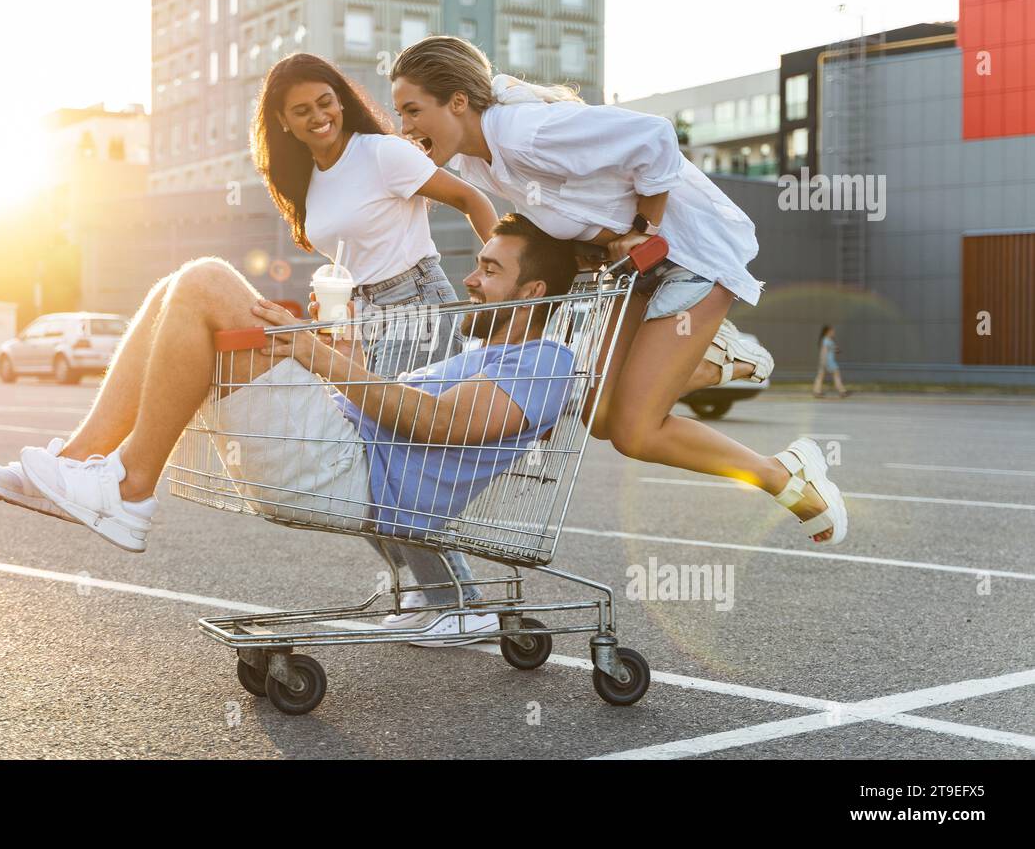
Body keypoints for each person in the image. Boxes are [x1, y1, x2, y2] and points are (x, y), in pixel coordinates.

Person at [0, 214, 579, 644]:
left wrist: (315, 356)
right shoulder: (480, 354)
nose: (471, 279)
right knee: (172, 294)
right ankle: (79, 461)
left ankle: (127, 491)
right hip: (338, 453)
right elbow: (387, 407)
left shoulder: (546, 363)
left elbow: (443, 424)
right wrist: (340, 344)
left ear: (532, 292)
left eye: (490, 270)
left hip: (347, 475)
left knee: (206, 281)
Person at [389, 36, 847, 546]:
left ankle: (784, 475)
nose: (405, 127)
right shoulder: (477, 161)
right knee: (599, 411)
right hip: (632, 272)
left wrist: (642, 230)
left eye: (412, 110)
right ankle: (712, 358)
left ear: (456, 101)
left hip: (691, 256)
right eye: (399, 114)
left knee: (634, 431)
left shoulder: (523, 132)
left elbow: (654, 137)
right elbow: (570, 210)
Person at [250, 52, 500, 626]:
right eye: (301, 111)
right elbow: (349, 253)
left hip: (416, 306)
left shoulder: (382, 152)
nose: (319, 116)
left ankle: (458, 604)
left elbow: (472, 198)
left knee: (394, 459)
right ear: (283, 123)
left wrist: (501, 282)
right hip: (362, 318)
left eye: (325, 101)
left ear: (342, 98)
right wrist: (335, 298)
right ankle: (422, 589)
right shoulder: (308, 179)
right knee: (357, 459)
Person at [813, 325, 850, 398]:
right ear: (827, 332)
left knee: (820, 377)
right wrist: (824, 362)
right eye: (832, 331)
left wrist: (837, 350)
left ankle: (817, 391)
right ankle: (842, 391)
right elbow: (824, 352)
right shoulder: (826, 340)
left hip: (825, 362)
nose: (833, 332)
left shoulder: (828, 340)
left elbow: (832, 349)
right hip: (829, 362)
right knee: (836, 376)